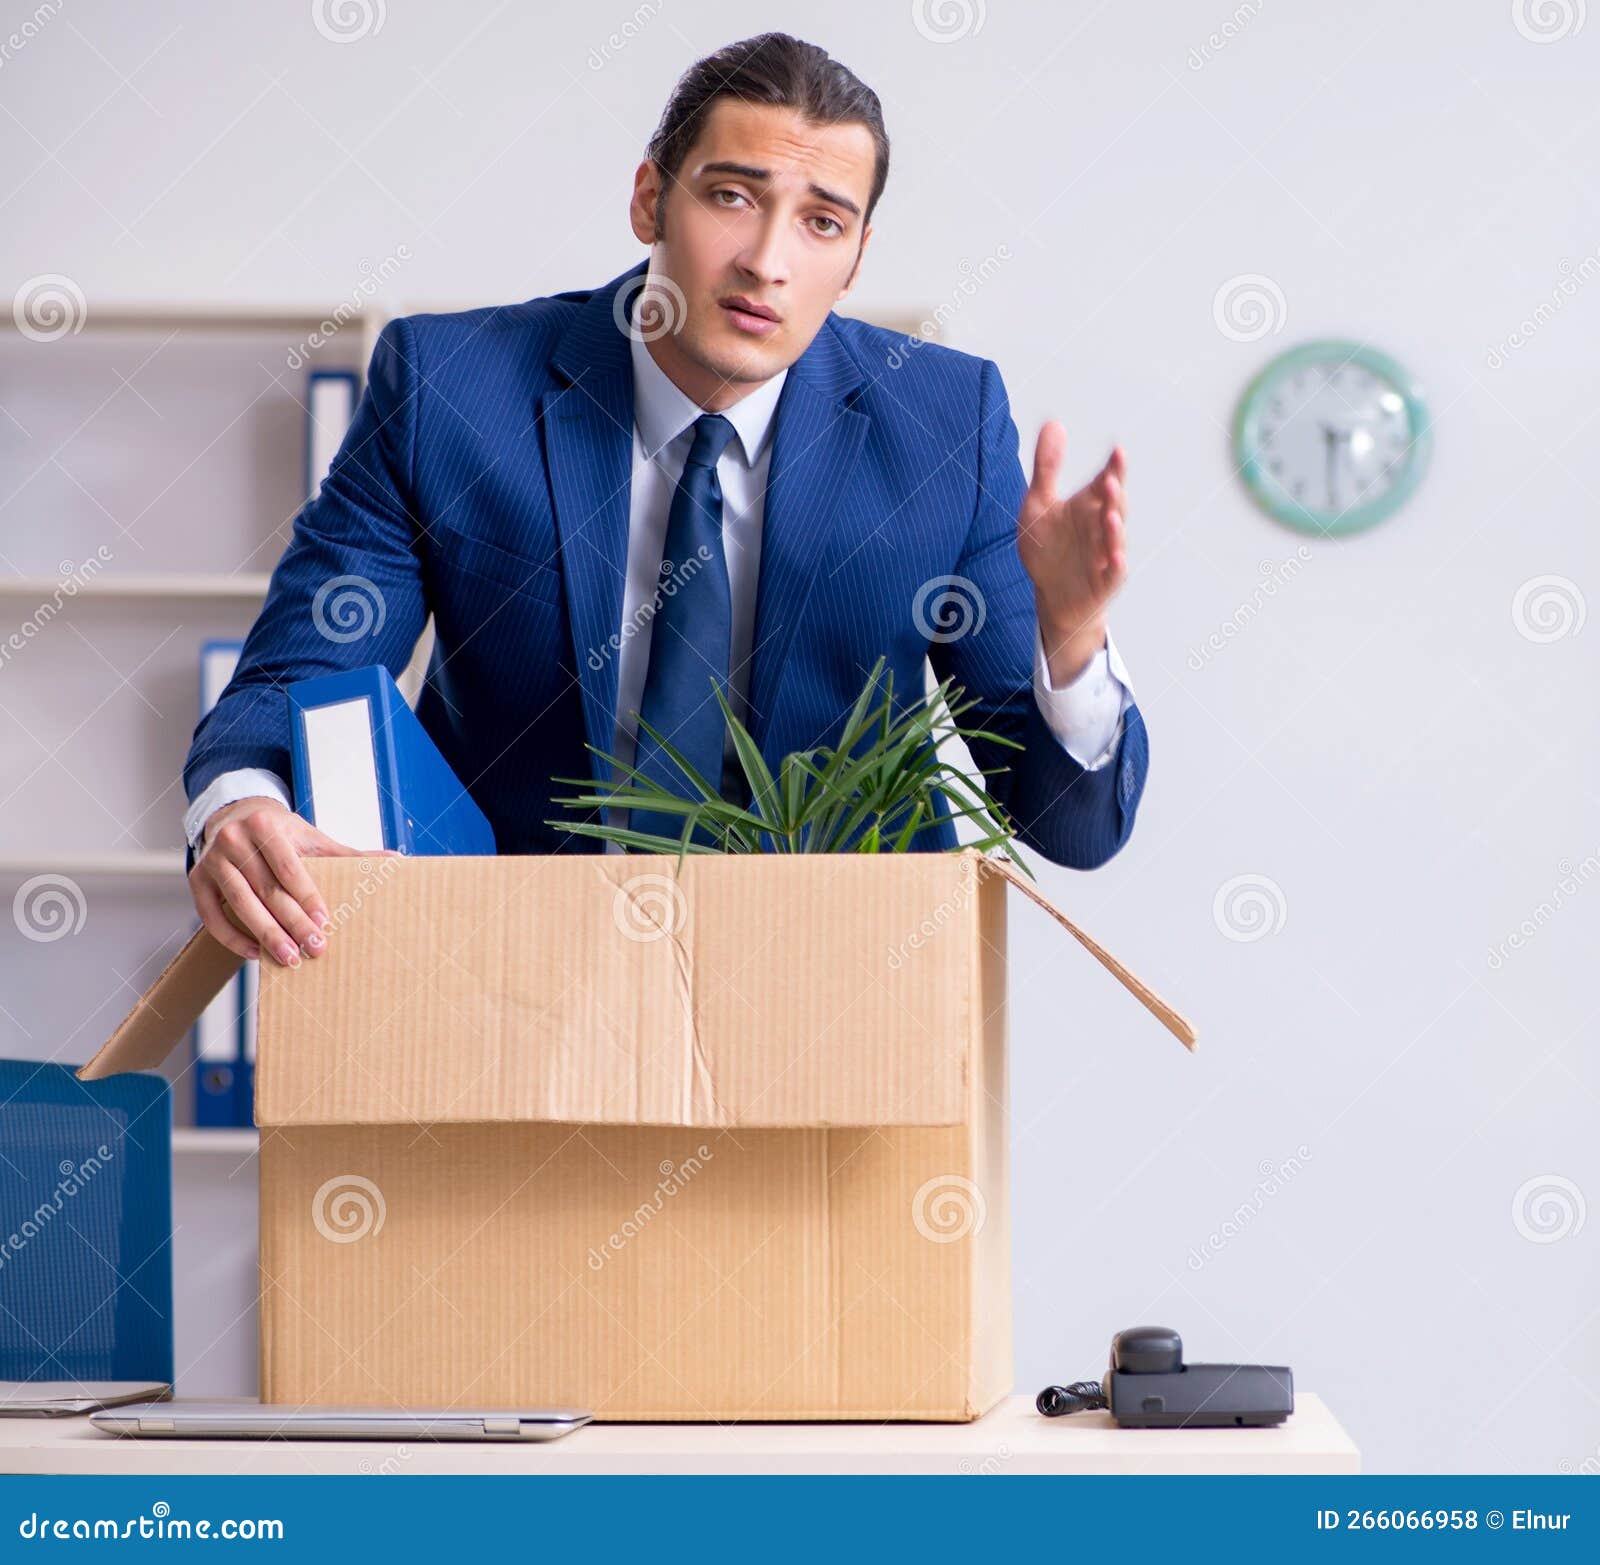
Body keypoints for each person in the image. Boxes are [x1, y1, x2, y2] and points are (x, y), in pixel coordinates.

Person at [183, 32, 1146, 971]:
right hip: (508, 977)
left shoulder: (944, 428)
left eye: (822, 221)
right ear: (650, 198)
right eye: (733, 196)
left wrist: (1068, 640)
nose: (766, 260)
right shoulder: (452, 391)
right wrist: (240, 801)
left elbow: (1070, 825)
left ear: (854, 260)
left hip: (841, 992)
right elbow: (299, 672)